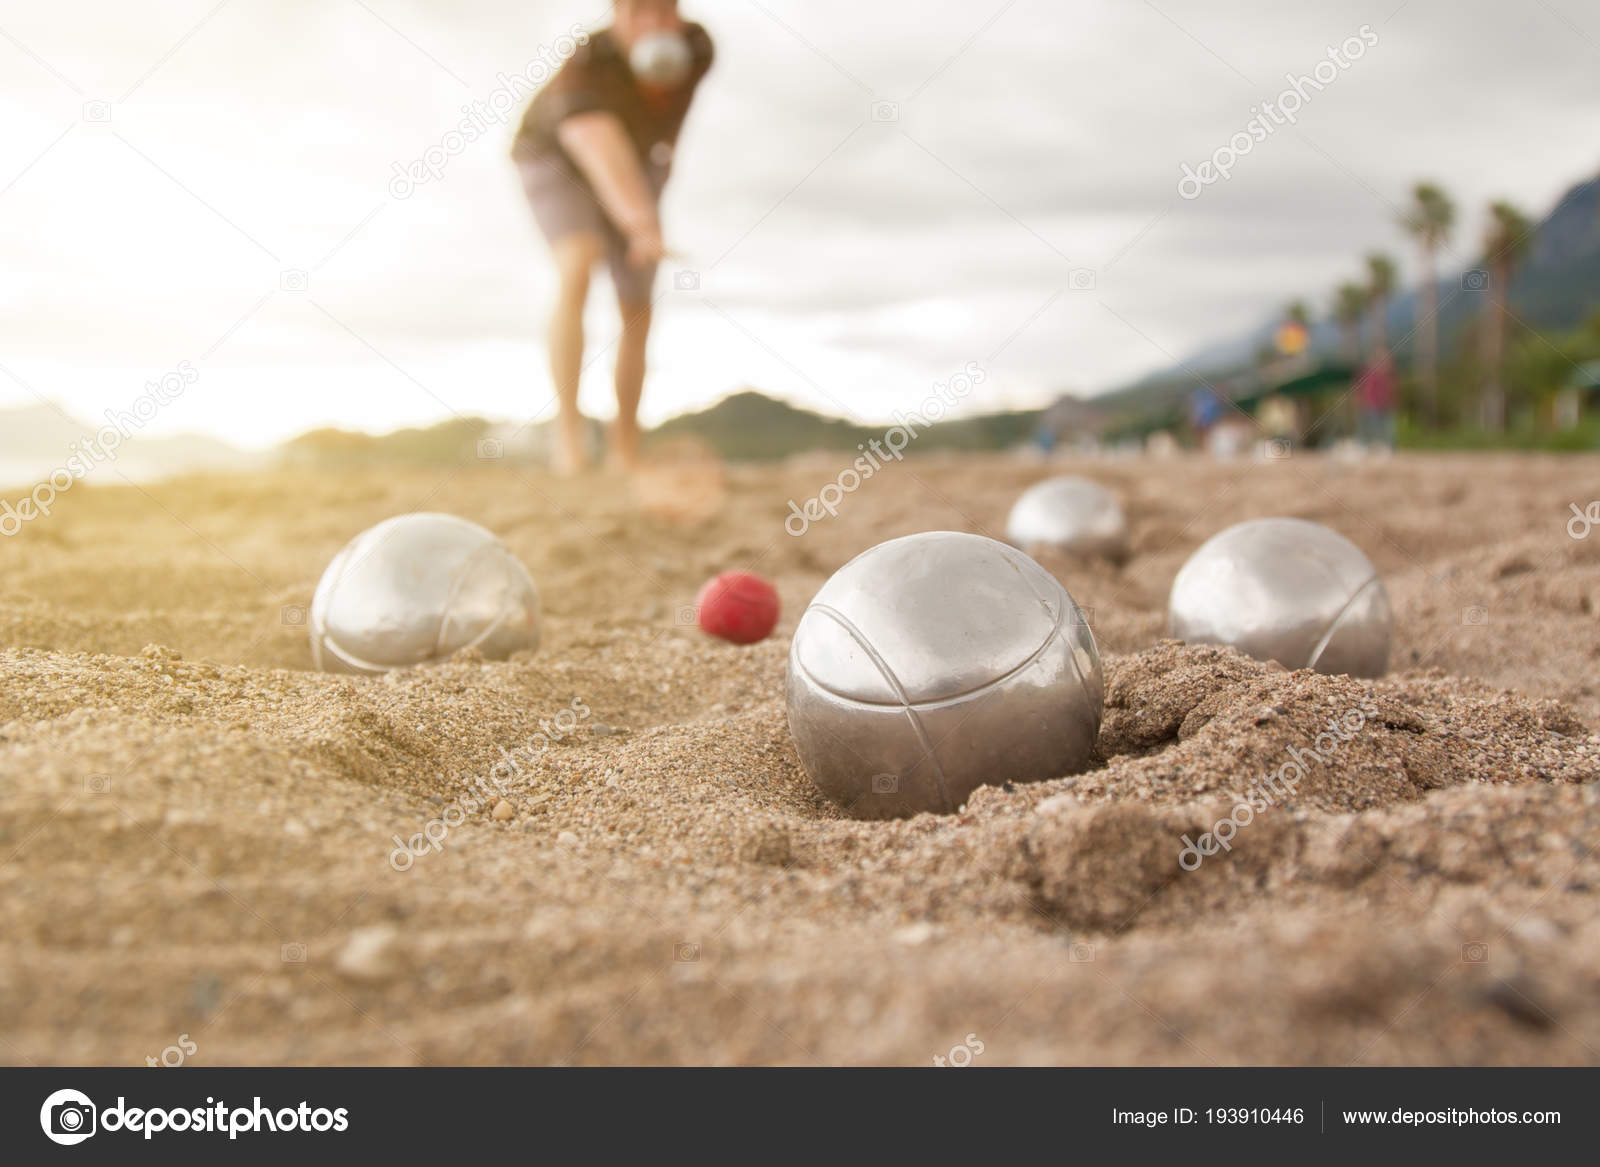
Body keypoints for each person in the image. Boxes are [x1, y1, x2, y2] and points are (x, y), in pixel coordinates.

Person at [511, 2, 714, 474]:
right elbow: (596, 145)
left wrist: (655, 185)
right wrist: (641, 221)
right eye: (639, 13)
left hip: (639, 160)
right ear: (617, 15)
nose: (656, 25)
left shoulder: (698, 47)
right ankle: (570, 441)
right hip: (554, 155)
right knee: (579, 259)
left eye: (666, 12)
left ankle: (625, 448)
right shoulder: (587, 63)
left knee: (637, 303)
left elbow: (671, 121)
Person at [1355, 346, 1397, 453]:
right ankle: (1368, 448)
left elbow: (1389, 391)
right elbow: (1364, 390)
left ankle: (1386, 448)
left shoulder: (1385, 375)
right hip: (1371, 406)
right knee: (1372, 429)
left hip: (1382, 406)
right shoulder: (1370, 373)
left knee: (1384, 429)